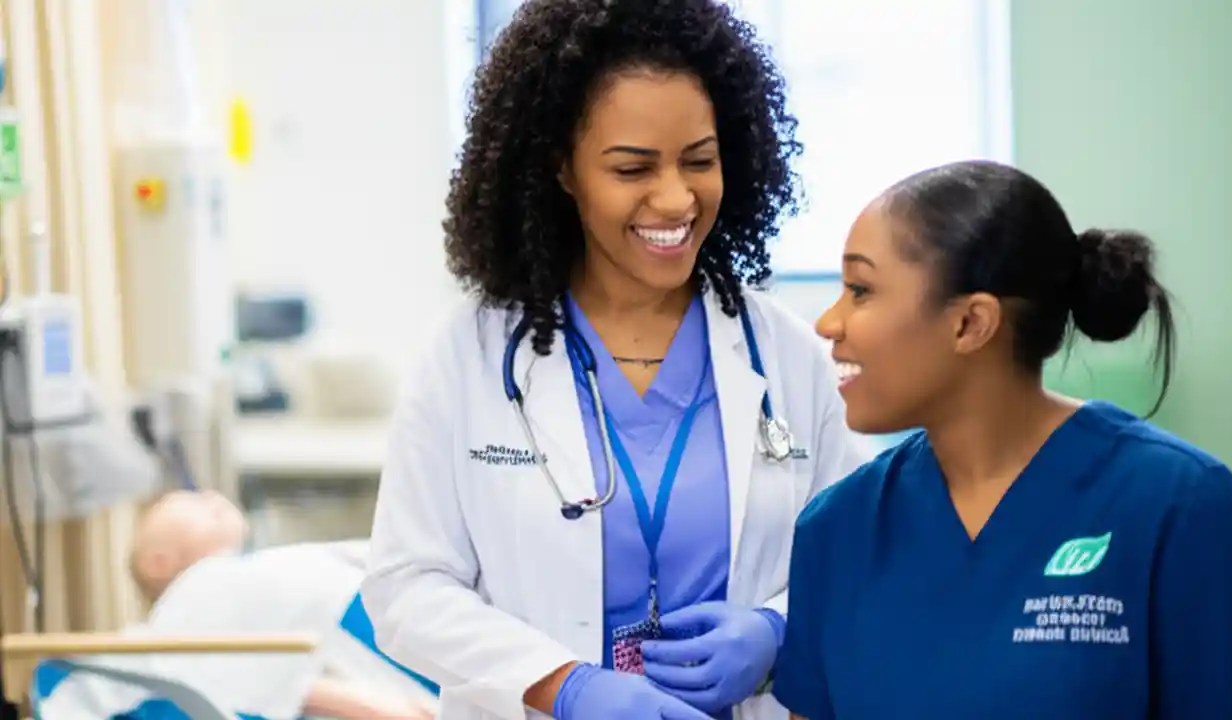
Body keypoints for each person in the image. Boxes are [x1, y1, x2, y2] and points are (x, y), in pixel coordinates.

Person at [359, 1, 865, 718]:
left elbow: (853, 566)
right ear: (562, 169)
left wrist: (776, 627)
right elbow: (406, 587)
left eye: (700, 161)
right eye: (633, 168)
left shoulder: (783, 355)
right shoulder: (469, 356)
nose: (675, 198)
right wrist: (565, 685)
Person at [772, 159, 1232, 719]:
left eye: (860, 290)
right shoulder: (839, 528)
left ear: (971, 324)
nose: (828, 323)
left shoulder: (1177, 506)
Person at [49, 489, 438, 720]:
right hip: (385, 632)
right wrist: (382, 709)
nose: (210, 495)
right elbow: (245, 680)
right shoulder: (194, 592)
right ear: (159, 561)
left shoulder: (251, 571)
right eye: (190, 502)